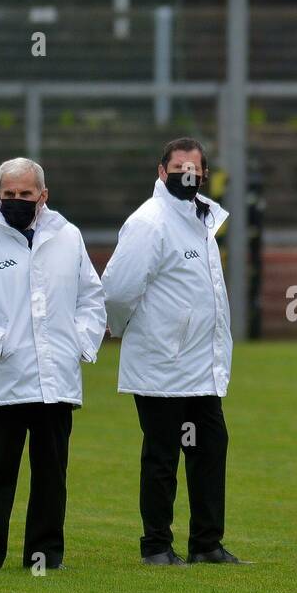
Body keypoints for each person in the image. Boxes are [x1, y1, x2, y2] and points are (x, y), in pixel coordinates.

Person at [0, 157, 106, 571]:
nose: (16, 201)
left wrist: (80, 344)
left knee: (52, 477)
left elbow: (91, 298)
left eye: (25, 194)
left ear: (42, 196)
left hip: (56, 378)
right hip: (2, 378)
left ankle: (45, 555)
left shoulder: (68, 236)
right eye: (8, 194)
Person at [101, 138, 240, 567]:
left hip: (201, 367)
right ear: (162, 172)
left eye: (194, 169)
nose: (187, 175)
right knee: (162, 456)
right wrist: (127, 332)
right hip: (163, 364)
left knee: (209, 450)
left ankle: (206, 544)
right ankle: (156, 546)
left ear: (204, 174)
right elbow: (118, 290)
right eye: (178, 167)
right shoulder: (150, 222)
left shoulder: (201, 219)